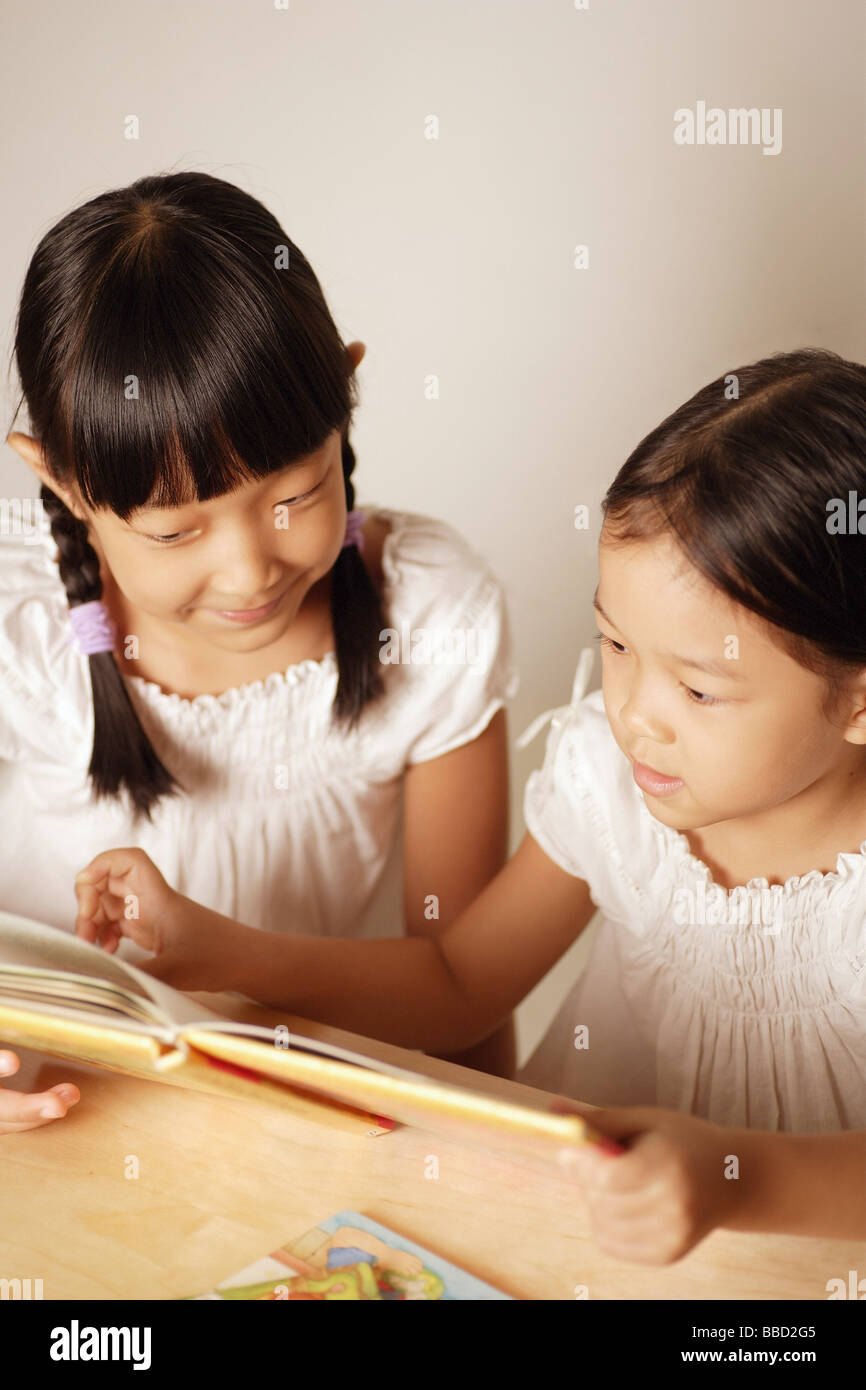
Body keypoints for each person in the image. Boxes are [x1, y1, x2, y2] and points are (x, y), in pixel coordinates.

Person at [73, 348, 866, 1262]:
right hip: (585, 1256)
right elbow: (459, 986)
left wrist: (737, 1178)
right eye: (614, 643)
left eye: (699, 691)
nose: (634, 715)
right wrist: (219, 947)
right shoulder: (607, 788)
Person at [0, 171, 519, 1134]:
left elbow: (468, 990)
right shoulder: (18, 616)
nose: (249, 574)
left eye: (295, 493)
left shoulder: (433, 611)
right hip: (55, 1117)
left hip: (302, 1132)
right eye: (174, 534)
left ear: (346, 402)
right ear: (62, 483)